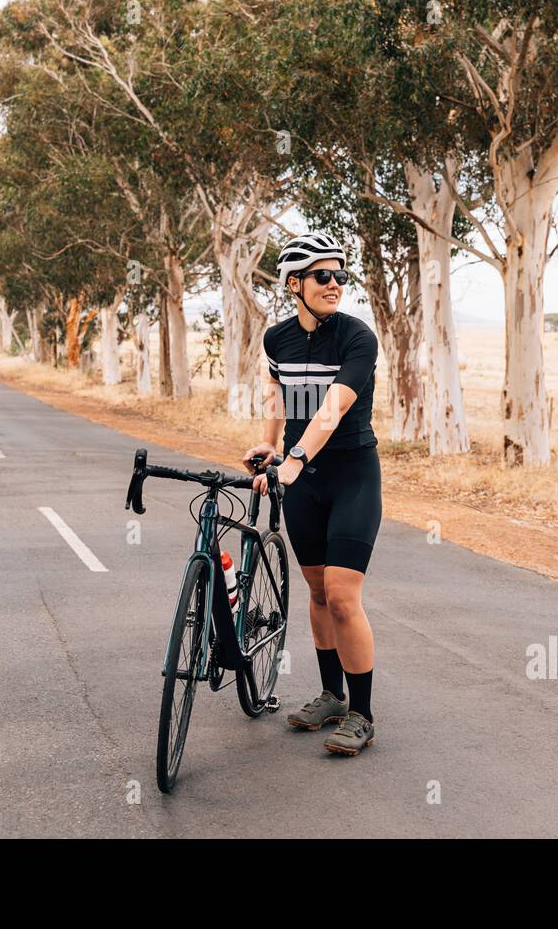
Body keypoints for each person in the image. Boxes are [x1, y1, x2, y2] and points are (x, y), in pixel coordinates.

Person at [242, 232, 382, 757]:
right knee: (318, 594)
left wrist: (294, 461)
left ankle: (363, 715)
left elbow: (331, 410)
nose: (335, 285)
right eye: (323, 276)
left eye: (341, 276)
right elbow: (281, 398)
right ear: (294, 284)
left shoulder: (357, 338)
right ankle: (331, 696)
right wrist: (271, 445)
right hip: (303, 483)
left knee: (344, 597)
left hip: (351, 477)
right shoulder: (277, 339)